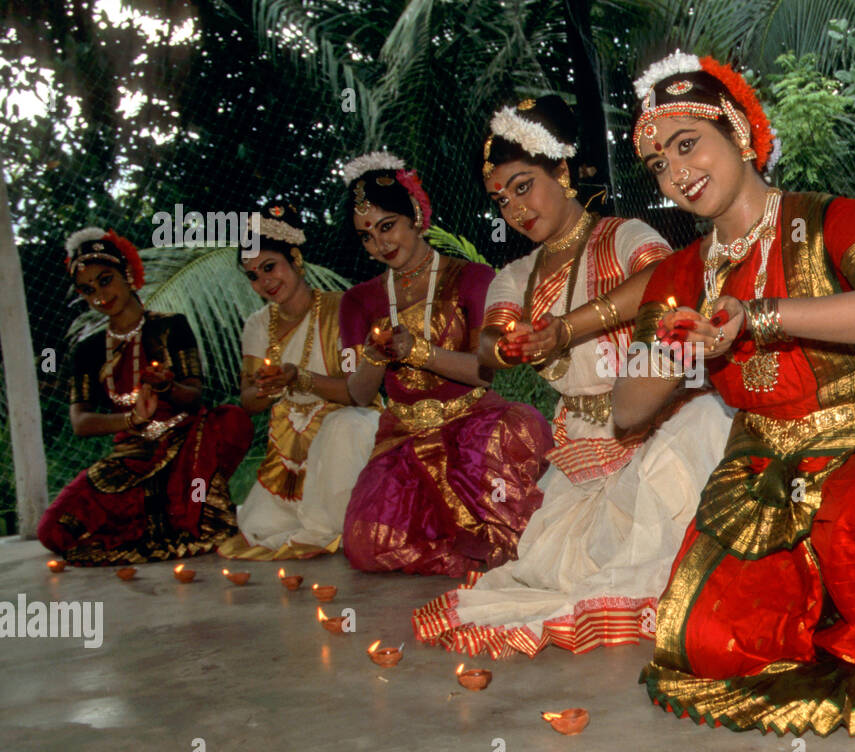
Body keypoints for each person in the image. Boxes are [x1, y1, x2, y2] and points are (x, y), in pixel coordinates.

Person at [613, 51, 855, 736]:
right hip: (763, 460)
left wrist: (760, 316)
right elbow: (626, 411)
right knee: (701, 641)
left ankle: (853, 603)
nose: (676, 173)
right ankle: (815, 600)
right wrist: (683, 344)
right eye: (660, 164)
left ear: (741, 133)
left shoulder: (828, 218)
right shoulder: (681, 273)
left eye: (688, 144)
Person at [412, 96, 733, 657]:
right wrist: (509, 345)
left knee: (687, 456)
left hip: (661, 423)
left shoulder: (622, 234)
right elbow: (488, 346)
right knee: (562, 568)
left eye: (522, 185)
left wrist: (565, 329)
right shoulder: (516, 274)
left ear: (560, 172)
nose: (513, 208)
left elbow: (668, 279)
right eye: (500, 199)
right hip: (585, 447)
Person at [338, 152, 553, 576]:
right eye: (366, 236)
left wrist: (418, 352)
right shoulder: (358, 301)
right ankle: (460, 556)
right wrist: (374, 356)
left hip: (473, 422)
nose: (380, 244)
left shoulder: (472, 278)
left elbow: (482, 369)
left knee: (513, 444)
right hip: (403, 437)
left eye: (387, 226)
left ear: (415, 214)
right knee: (367, 546)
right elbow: (357, 393)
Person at [38, 227, 253, 564]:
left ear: (128, 273)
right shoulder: (87, 351)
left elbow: (194, 397)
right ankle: (167, 515)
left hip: (185, 449)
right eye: (87, 290)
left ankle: (186, 505)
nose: (99, 296)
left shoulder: (171, 327)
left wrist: (168, 386)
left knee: (231, 420)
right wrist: (132, 419)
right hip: (131, 457)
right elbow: (80, 422)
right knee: (53, 531)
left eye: (105, 280)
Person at [218, 204, 380, 560]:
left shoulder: (343, 309)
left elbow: (358, 394)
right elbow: (248, 400)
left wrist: (299, 378)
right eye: (253, 275)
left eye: (270, 267)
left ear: (294, 258)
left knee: (345, 426)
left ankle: (347, 517)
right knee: (264, 529)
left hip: (348, 425)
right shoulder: (257, 326)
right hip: (290, 441)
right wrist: (266, 388)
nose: (265, 281)